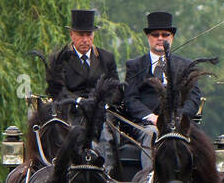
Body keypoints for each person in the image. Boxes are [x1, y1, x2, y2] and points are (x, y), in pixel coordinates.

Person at [123, 11, 202, 168]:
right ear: (148, 37)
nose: (160, 38)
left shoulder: (186, 66)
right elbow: (130, 99)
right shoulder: (135, 65)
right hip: (147, 125)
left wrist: (178, 117)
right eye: (155, 34)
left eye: (165, 34)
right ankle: (150, 179)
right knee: (152, 134)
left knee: (201, 142)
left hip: (180, 123)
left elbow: (194, 98)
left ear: (171, 37)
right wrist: (151, 117)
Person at [45, 9, 120, 166]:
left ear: (93, 36)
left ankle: (106, 173)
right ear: (72, 35)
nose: (85, 40)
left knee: (106, 136)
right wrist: (78, 101)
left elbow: (116, 88)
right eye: (81, 35)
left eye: (88, 35)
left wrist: (103, 103)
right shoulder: (61, 59)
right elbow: (58, 90)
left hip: (100, 113)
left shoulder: (106, 58)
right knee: (73, 136)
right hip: (71, 112)